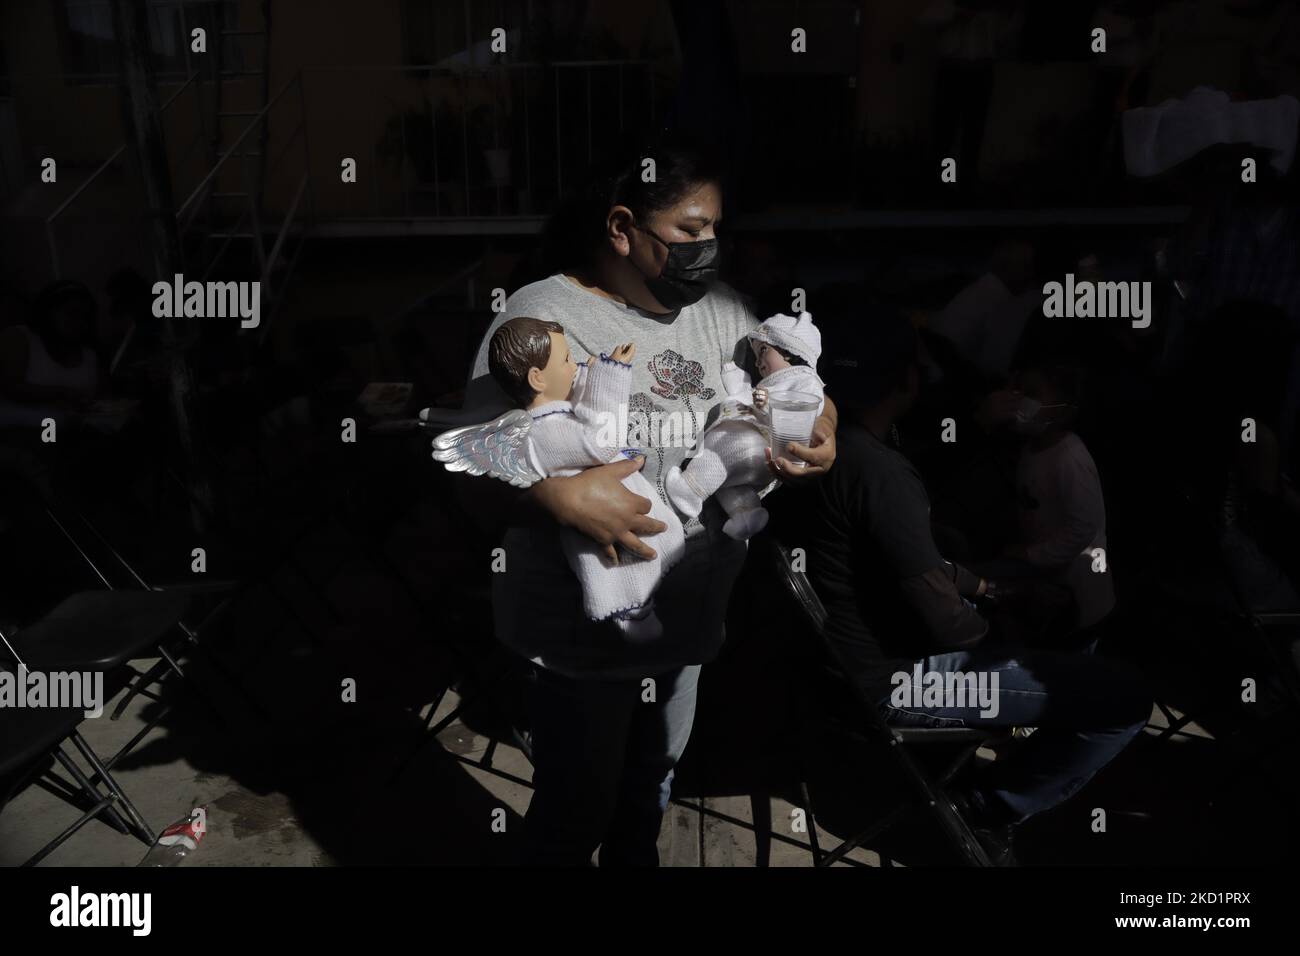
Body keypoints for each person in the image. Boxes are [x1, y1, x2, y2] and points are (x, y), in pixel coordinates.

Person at [459, 143, 840, 866]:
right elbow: (470, 468)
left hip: (688, 631)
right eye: (690, 232)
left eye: (715, 230)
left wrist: (824, 428)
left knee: (649, 794)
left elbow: (794, 375)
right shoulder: (542, 317)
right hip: (578, 643)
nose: (709, 249)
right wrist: (557, 494)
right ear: (622, 228)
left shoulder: (724, 310)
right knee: (578, 812)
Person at [790, 306, 1149, 865]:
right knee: (1124, 699)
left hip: (848, 668)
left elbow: (915, 566)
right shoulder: (878, 473)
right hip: (900, 687)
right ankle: (984, 805)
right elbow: (948, 623)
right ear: (906, 380)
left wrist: (981, 588)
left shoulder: (824, 454)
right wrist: (1005, 638)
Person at [0, 280, 100, 427]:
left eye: (86, 316)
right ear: (47, 312)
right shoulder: (19, 338)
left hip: (79, 432)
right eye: (72, 313)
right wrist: (62, 393)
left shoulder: (89, 354)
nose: (79, 322)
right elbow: (9, 387)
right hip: (20, 434)